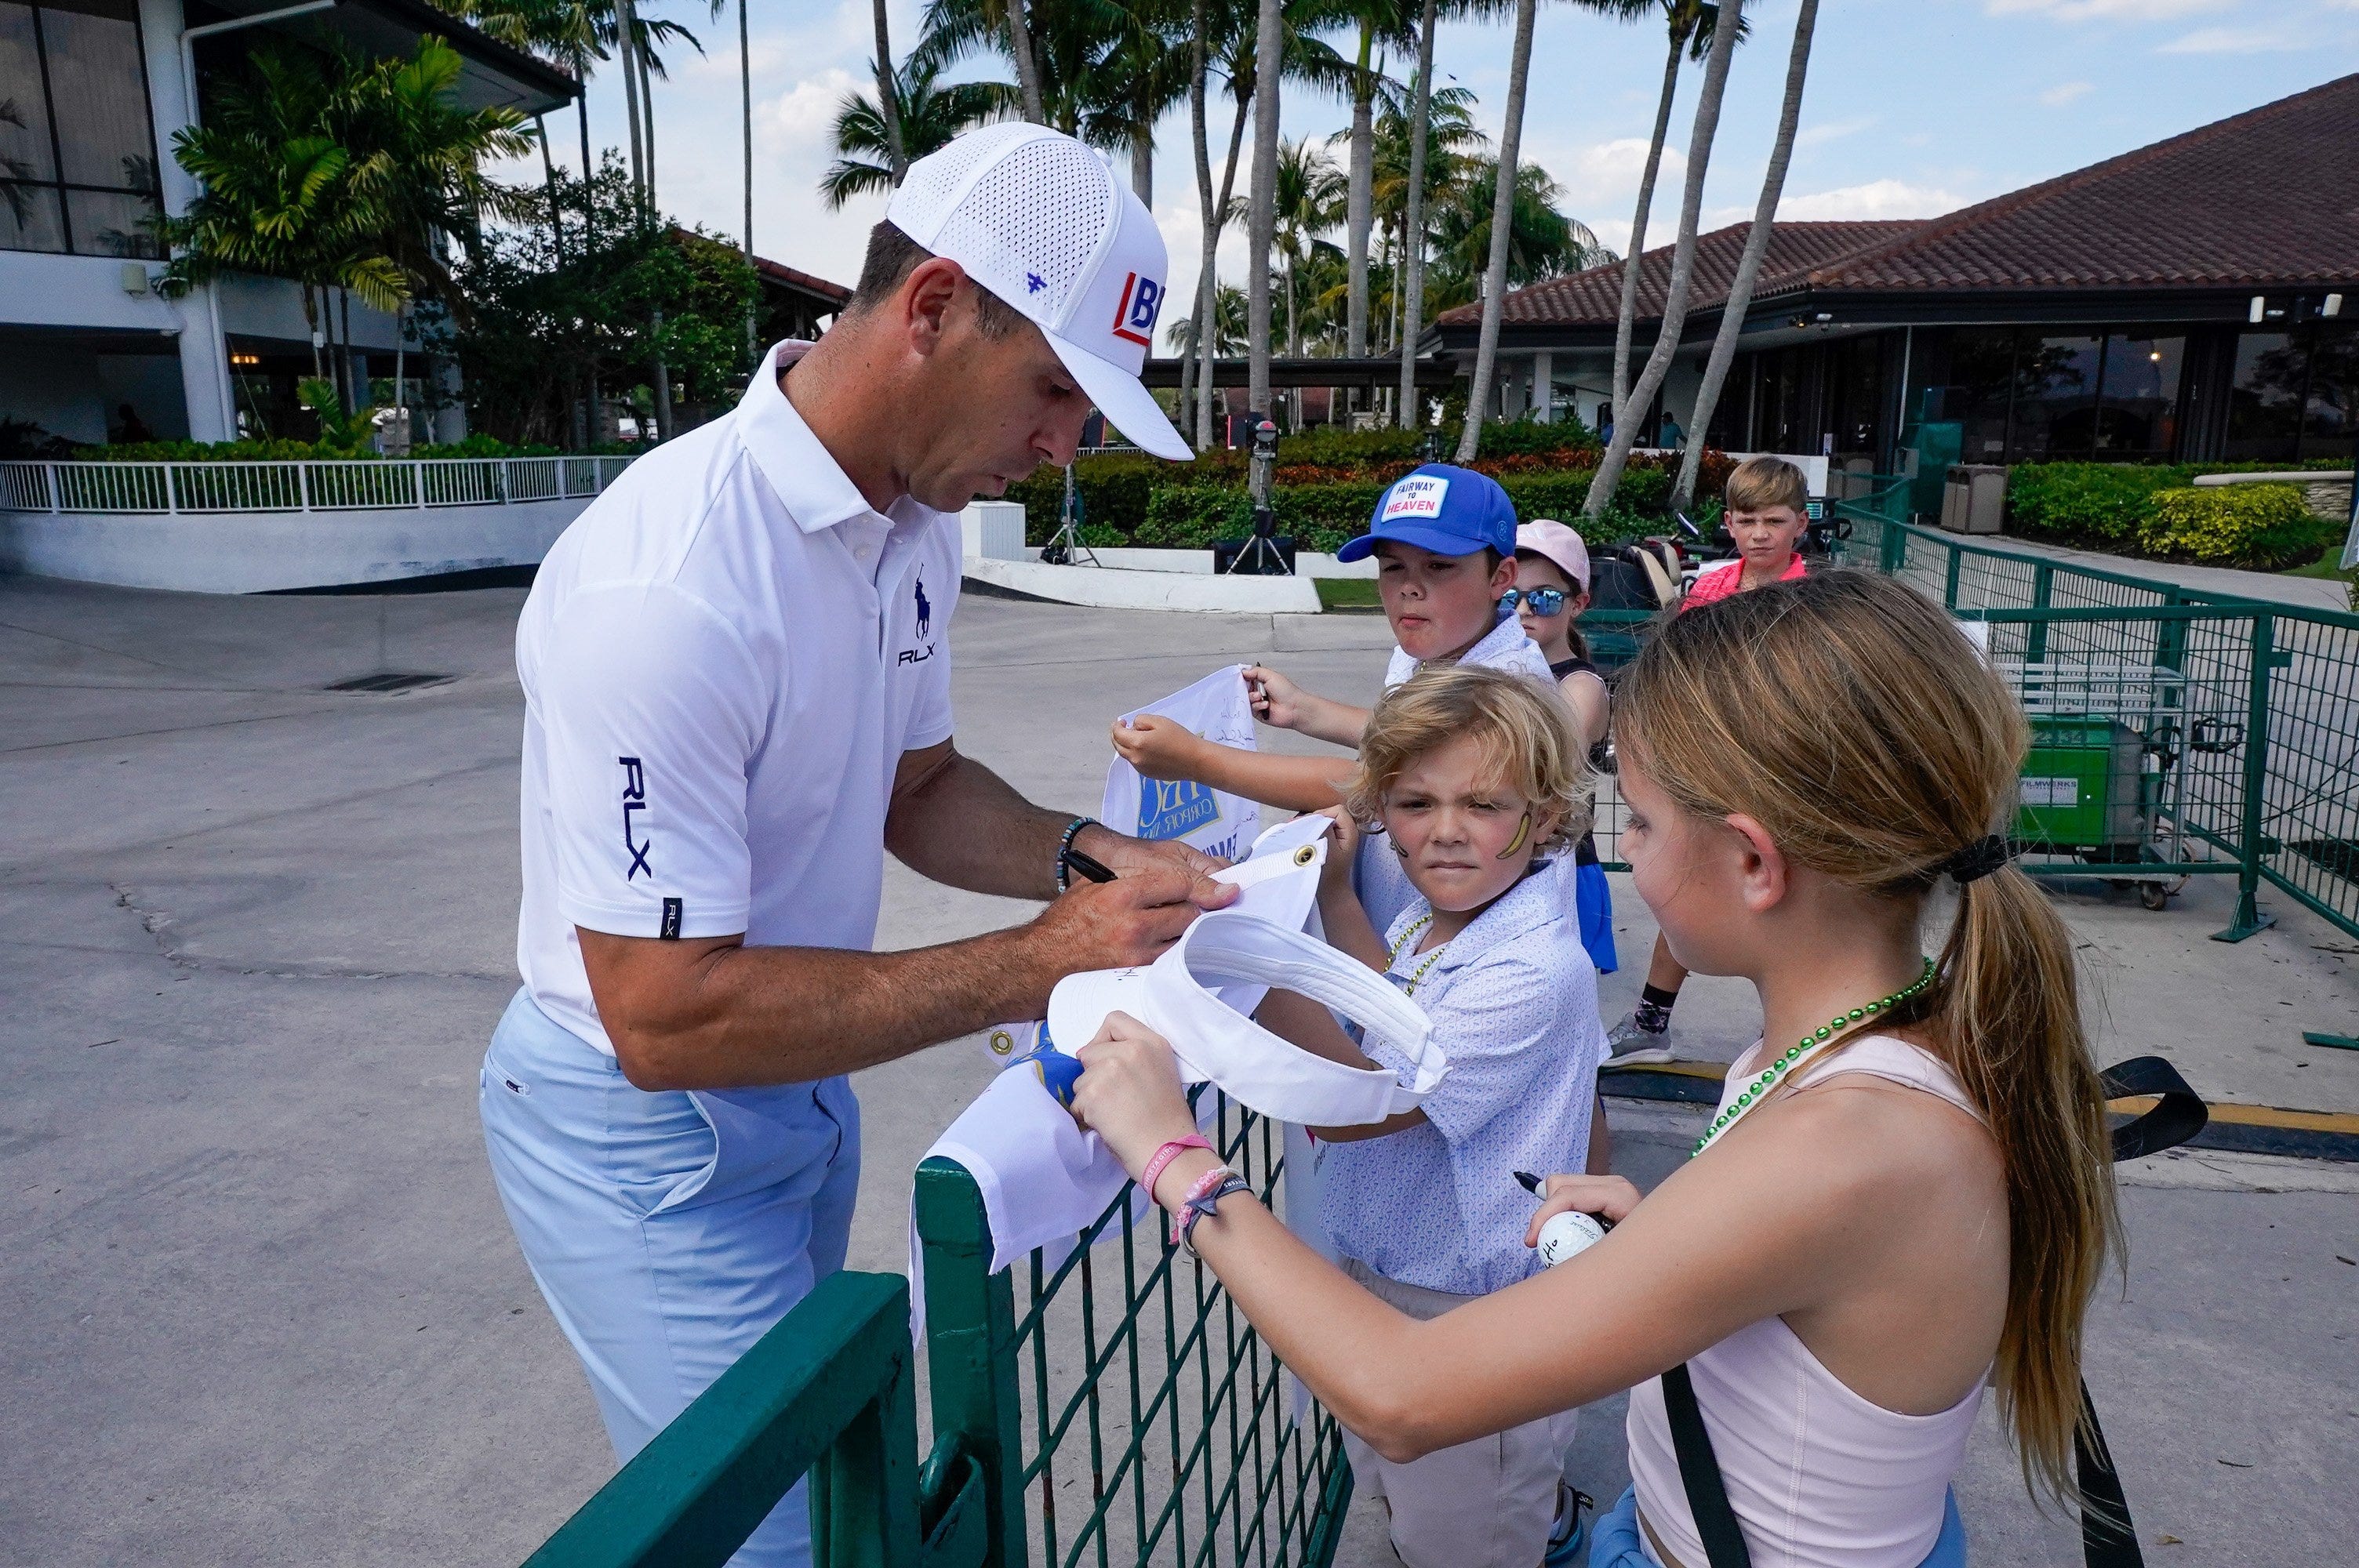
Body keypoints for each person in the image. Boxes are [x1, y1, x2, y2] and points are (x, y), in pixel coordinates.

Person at [478, 123, 1233, 1568]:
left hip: (799, 1083)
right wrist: (1035, 965)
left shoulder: (909, 520)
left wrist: (1084, 858)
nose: (1064, 447)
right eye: (1058, 391)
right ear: (932, 308)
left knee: (827, 1498)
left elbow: (921, 783)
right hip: (647, 1127)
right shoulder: (672, 587)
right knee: (778, 1543)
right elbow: (662, 1013)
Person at [1073, 568, 2117, 1568]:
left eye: (1646, 824)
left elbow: (1401, 1394)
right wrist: (1664, 1229)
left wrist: (1175, 1158)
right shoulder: (1841, 1051)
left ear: (1754, 863)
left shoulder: (1846, 1145)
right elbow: (1806, 1273)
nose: (1631, 857)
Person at [1253, 664, 1605, 1568]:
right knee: (1398, 1483)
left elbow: (1357, 1105)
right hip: (1384, 1278)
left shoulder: (1527, 967)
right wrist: (1334, 897)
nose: (1445, 832)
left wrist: (1242, 969)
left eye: (1483, 804)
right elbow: (1392, 1009)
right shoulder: (1428, 917)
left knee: (1466, 1530)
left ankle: (1531, 1525)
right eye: (1414, 803)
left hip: (1470, 1318)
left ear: (1549, 814)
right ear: (1378, 811)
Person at [1108, 462, 1554, 942]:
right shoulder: (1434, 647)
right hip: (1398, 923)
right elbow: (1400, 737)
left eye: (1440, 567)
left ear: (1501, 577)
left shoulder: (1508, 688)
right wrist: (1304, 710)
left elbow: (1369, 785)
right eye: (1392, 567)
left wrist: (1196, 760)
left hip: (1464, 952)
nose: (1409, 587)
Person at [1607, 454, 1812, 1062]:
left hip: (1777, 775)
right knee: (1684, 890)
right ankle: (1650, 1023)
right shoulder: (1712, 589)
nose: (1760, 534)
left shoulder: (1817, 601)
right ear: (1729, 522)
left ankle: (1786, 1034)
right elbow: (1679, 669)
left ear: (1799, 524)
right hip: (1706, 767)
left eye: (1773, 521)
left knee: (1780, 908)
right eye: (1748, 520)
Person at [1508, 519, 1614, 977]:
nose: (1524, 610)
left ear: (1579, 604)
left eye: (1546, 597)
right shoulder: (1496, 672)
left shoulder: (1581, 686)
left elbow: (1544, 767)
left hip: (1558, 866)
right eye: (1509, 597)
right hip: (1501, 860)